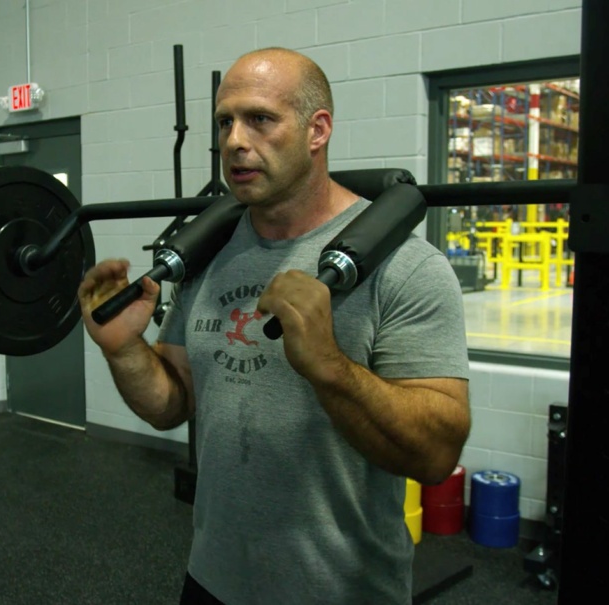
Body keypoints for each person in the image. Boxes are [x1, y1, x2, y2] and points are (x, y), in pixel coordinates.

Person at [78, 47, 471, 605]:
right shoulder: (209, 256)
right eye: (225, 122)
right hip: (213, 579)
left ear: (318, 130)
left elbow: (435, 457)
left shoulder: (408, 268)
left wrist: (328, 366)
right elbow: (172, 404)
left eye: (260, 118)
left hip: (342, 592)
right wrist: (124, 350)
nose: (235, 141)